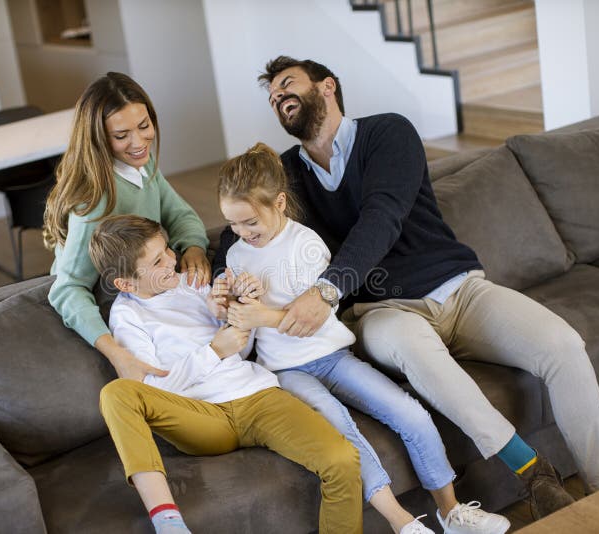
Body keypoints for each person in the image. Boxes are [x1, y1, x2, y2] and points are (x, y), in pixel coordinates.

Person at [214, 56, 599, 520]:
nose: (279, 96)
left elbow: (383, 216)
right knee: (419, 355)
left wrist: (326, 290)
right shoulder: (286, 176)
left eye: (288, 84)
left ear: (328, 86)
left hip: (460, 291)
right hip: (384, 311)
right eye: (272, 96)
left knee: (564, 346)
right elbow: (233, 233)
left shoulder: (389, 133)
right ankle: (530, 471)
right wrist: (217, 279)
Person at [214, 142, 510, 534]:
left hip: (332, 357)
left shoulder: (306, 245)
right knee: (340, 428)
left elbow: (315, 319)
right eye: (233, 224)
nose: (241, 233)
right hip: (286, 372)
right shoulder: (236, 257)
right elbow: (246, 343)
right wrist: (236, 310)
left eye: (250, 222)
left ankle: (451, 512)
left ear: (280, 203)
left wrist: (261, 312)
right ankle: (403, 523)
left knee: (410, 414)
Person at [88, 214, 363, 534]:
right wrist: (214, 351)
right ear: (125, 283)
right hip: (203, 417)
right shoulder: (127, 316)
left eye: (167, 249)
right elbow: (152, 386)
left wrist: (243, 309)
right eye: (158, 261)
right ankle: (168, 522)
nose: (172, 259)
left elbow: (240, 351)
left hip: (257, 395)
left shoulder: (193, 284)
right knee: (116, 393)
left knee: (342, 459)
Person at [43, 72, 212, 381]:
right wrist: (116, 352)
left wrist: (194, 247)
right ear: (99, 139)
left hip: (147, 283)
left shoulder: (142, 166)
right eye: (122, 136)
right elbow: (67, 288)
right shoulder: (92, 202)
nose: (139, 142)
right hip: (119, 301)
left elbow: (181, 215)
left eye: (144, 126)